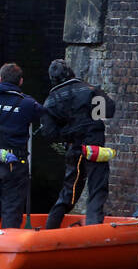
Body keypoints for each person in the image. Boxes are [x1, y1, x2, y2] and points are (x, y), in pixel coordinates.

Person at [38, 59, 116, 229]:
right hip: (94, 148)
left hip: (74, 148)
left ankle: (49, 230)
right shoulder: (88, 90)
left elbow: (49, 133)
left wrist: (66, 137)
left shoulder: (51, 100)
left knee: (68, 194)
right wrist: (91, 117)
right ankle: (93, 230)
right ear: (70, 72)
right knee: (97, 189)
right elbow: (109, 110)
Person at [0, 63, 43, 230]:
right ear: (20, 81)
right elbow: (46, 116)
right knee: (11, 209)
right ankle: (8, 248)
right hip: (13, 163)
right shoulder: (26, 103)